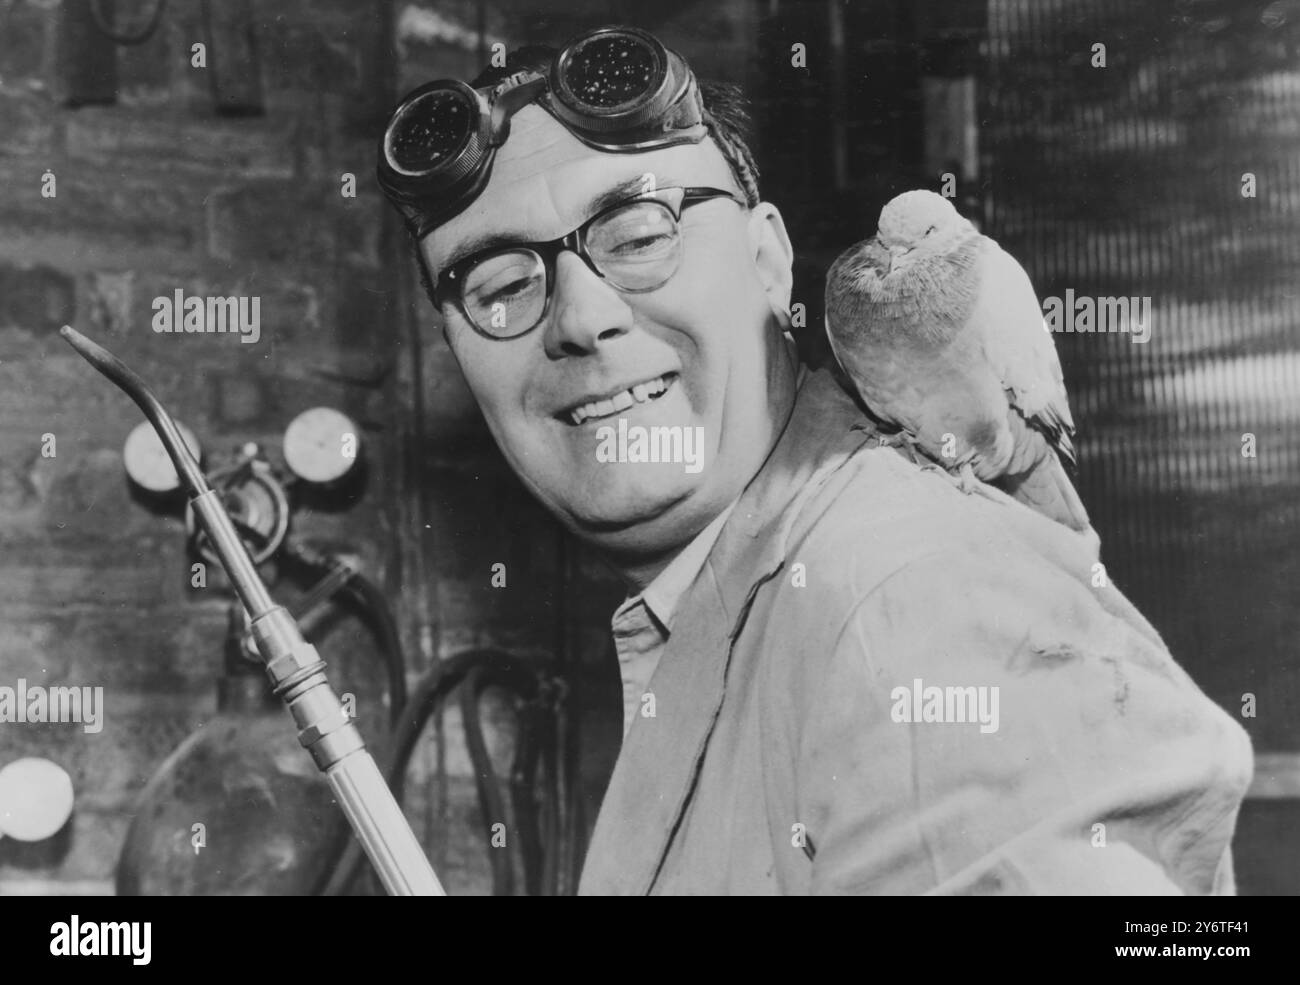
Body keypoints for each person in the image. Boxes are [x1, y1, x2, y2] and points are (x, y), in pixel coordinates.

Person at [377, 25, 1252, 894]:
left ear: (767, 261)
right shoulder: (724, 610)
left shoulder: (911, 599)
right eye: (499, 287)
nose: (579, 317)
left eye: (639, 235)